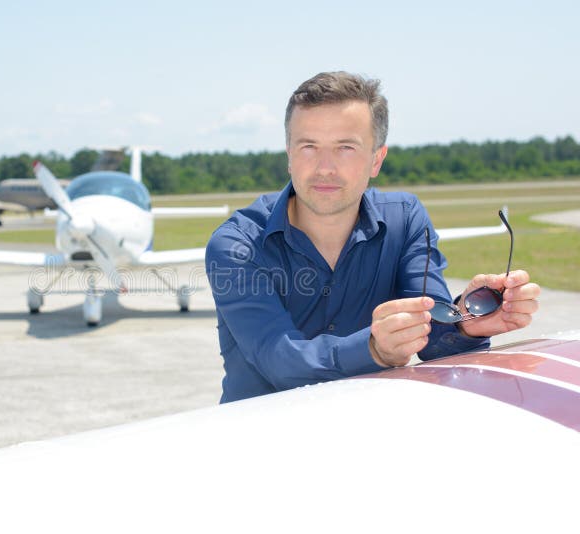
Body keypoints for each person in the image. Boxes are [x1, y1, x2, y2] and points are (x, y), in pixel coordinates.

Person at [205, 71, 541, 403]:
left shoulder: (404, 219)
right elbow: (279, 361)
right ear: (289, 155)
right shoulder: (237, 245)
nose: (324, 167)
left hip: (371, 421)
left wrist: (466, 323)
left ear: (376, 159)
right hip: (262, 429)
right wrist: (373, 349)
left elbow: (432, 335)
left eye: (345, 147)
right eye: (309, 146)